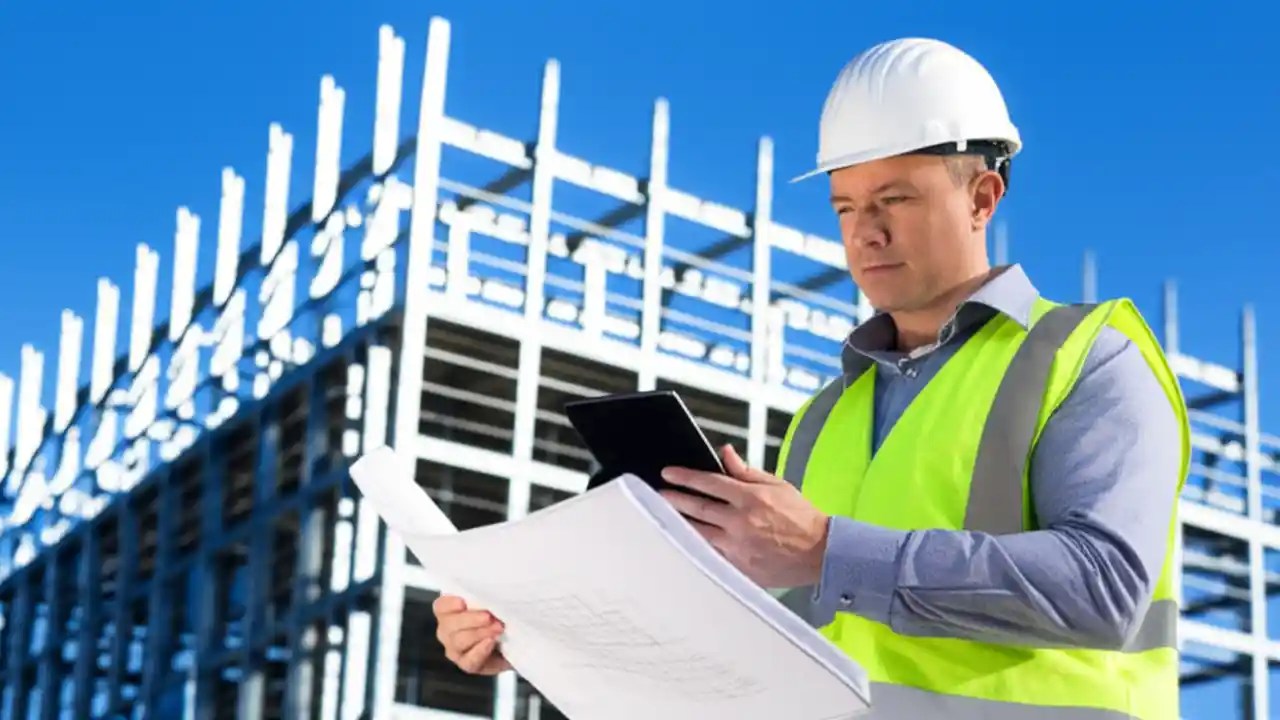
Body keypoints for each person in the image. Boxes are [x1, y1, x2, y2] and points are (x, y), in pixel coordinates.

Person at [432, 37, 1189, 719]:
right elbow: (750, 659)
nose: (867, 233)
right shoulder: (824, 419)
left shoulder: (1087, 354)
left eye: (896, 200)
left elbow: (1103, 587)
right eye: (847, 206)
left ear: (982, 198)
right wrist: (540, 640)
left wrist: (828, 550)